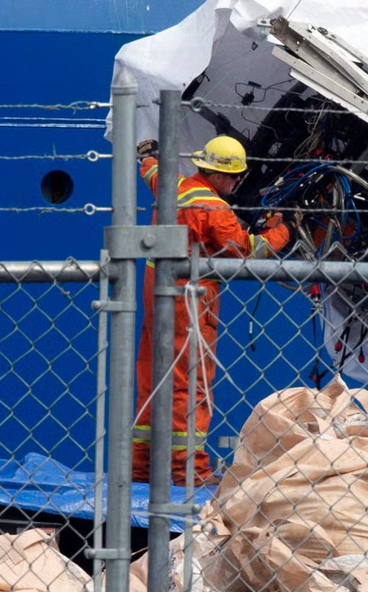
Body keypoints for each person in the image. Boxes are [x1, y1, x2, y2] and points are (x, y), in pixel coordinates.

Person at [131, 135, 291, 487]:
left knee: (151, 381)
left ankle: (140, 470)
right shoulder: (214, 209)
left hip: (155, 292)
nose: (237, 183)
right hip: (190, 300)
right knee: (191, 385)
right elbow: (247, 252)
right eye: (234, 177)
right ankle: (191, 472)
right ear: (218, 174)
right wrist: (281, 230)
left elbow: (152, 171)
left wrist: (148, 156)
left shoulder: (174, 185)